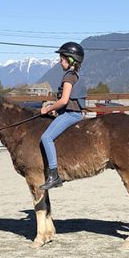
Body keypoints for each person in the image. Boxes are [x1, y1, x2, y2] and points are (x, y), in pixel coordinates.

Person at [38, 42, 87, 190]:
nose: (60, 61)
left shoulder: (69, 77)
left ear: (71, 59)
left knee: (46, 137)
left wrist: (48, 108)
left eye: (62, 58)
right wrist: (56, 111)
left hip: (71, 115)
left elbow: (64, 100)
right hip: (70, 112)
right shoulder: (75, 75)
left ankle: (54, 174)